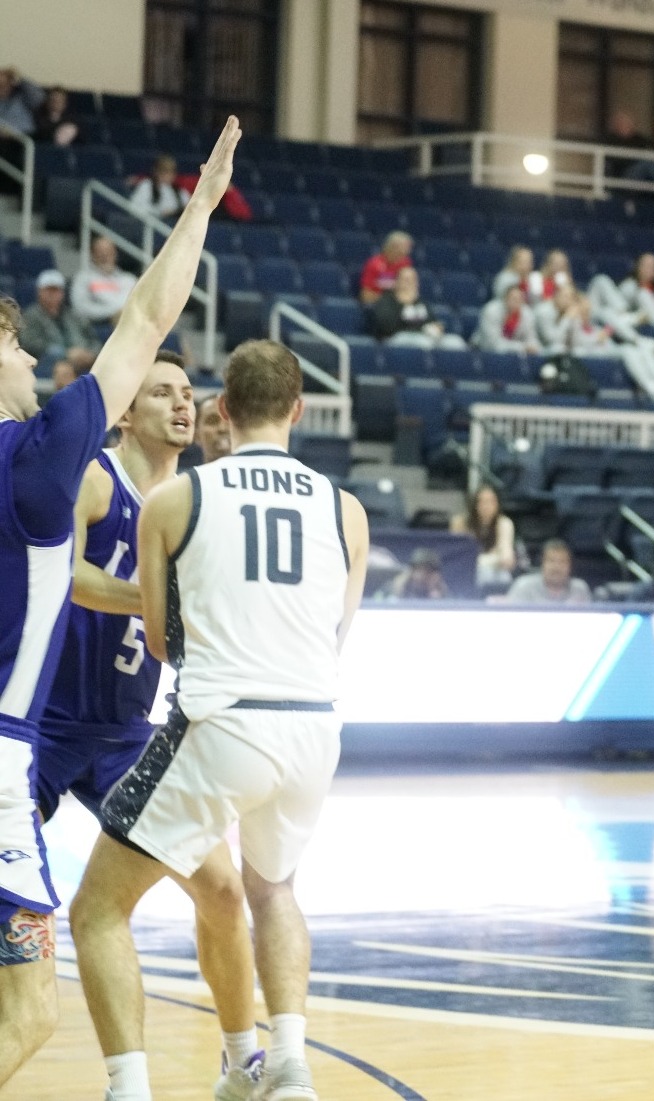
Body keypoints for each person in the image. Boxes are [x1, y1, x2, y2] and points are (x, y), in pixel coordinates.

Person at [0, 115, 237, 1092]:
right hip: (13, 748)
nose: (31, 362)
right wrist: (199, 209)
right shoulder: (42, 460)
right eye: (15, 347)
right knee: (28, 1006)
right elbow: (143, 322)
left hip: (89, 736)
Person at [73, 335, 367, 1101]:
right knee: (274, 892)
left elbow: (165, 639)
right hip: (316, 729)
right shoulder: (348, 509)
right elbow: (337, 630)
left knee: (99, 906)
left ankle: (129, 1090)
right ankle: (287, 1067)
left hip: (227, 722)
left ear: (222, 412)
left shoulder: (177, 498)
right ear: (300, 409)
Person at [36, 352, 264, 1101]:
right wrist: (162, 600)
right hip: (42, 721)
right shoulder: (98, 474)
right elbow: (63, 574)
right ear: (125, 412)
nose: (182, 403)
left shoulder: (197, 501)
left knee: (223, 891)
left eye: (190, 394)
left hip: (130, 731)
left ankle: (243, 1062)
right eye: (162, 390)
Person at [369, 267, 467, 349]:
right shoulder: (386, 300)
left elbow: (432, 321)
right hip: (396, 337)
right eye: (406, 280)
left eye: (413, 280)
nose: (409, 283)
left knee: (456, 342)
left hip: (425, 336)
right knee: (423, 343)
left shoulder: (420, 302)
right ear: (396, 282)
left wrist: (437, 327)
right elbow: (386, 327)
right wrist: (404, 304)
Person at [451, 484, 517, 593]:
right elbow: (459, 558)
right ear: (474, 504)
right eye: (482, 502)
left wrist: (480, 561)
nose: (487, 506)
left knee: (503, 577)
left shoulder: (504, 523)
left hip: (495, 572)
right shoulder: (460, 522)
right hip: (466, 572)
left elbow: (507, 559)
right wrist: (494, 558)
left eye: (491, 502)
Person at [19, 270, 93, 359]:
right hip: (49, 362)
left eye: (56, 291)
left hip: (82, 358)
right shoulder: (30, 316)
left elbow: (92, 339)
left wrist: (89, 353)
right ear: (39, 292)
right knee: (63, 370)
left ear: (62, 293)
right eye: (48, 290)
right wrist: (65, 353)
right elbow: (30, 343)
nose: (52, 295)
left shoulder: (74, 315)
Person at [73, 236, 138, 326]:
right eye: (100, 252)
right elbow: (81, 308)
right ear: (92, 255)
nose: (105, 256)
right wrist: (113, 312)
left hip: (130, 324)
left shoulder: (129, 279)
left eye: (108, 252)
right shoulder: (84, 279)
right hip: (99, 326)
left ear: (115, 254)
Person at [505, 538, 591, 604]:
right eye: (551, 561)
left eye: (562, 562)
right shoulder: (523, 587)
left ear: (570, 566)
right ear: (542, 564)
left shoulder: (580, 589)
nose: (556, 567)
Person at [476, 284, 543, 354]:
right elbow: (493, 343)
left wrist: (535, 347)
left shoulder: (527, 313)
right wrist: (522, 347)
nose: (517, 302)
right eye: (514, 299)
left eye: (520, 299)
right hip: (484, 350)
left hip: (514, 353)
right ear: (505, 299)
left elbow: (531, 338)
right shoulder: (491, 311)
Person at [127, 154, 191, 221]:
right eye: (164, 171)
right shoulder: (146, 186)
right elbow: (133, 208)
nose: (168, 175)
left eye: (171, 171)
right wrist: (160, 212)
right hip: (151, 227)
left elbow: (191, 210)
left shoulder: (180, 192)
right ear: (156, 171)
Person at [357, 230, 413, 306]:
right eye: (401, 251)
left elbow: (410, 291)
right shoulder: (374, 264)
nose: (405, 254)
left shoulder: (405, 263)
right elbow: (365, 295)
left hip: (400, 306)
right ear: (392, 247)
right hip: (378, 306)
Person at [377, 545, 450, 600]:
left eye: (428, 572)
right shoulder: (396, 585)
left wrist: (436, 599)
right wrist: (395, 593)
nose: (421, 576)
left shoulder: (441, 590)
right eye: (418, 570)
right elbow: (377, 601)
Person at [195, 393, 233, 463]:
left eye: (230, 421)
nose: (222, 429)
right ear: (196, 434)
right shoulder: (185, 474)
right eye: (212, 421)